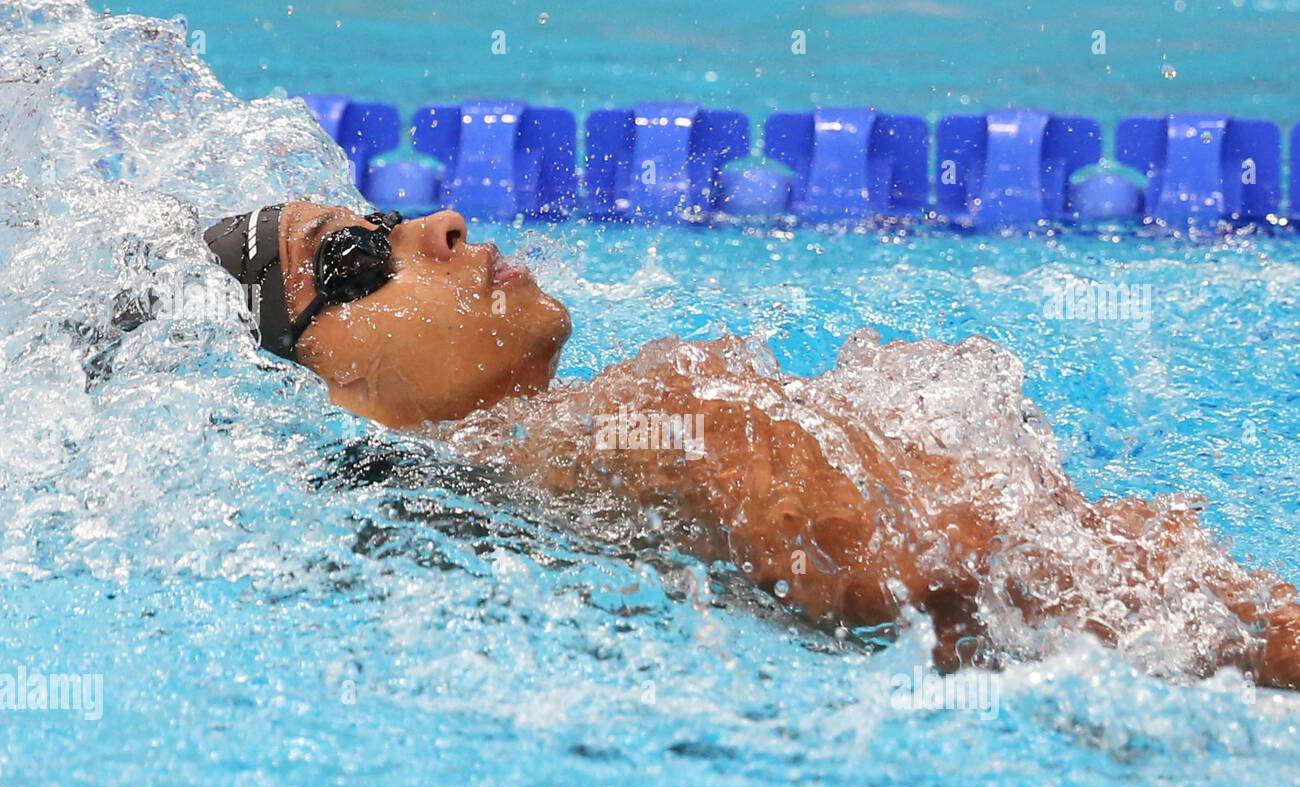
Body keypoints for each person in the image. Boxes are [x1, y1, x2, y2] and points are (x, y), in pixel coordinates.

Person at [204, 202, 1300, 690]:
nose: (437, 222)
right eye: (351, 257)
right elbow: (924, 580)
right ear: (325, 393)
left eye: (386, 211)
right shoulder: (623, 421)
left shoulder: (552, 462)